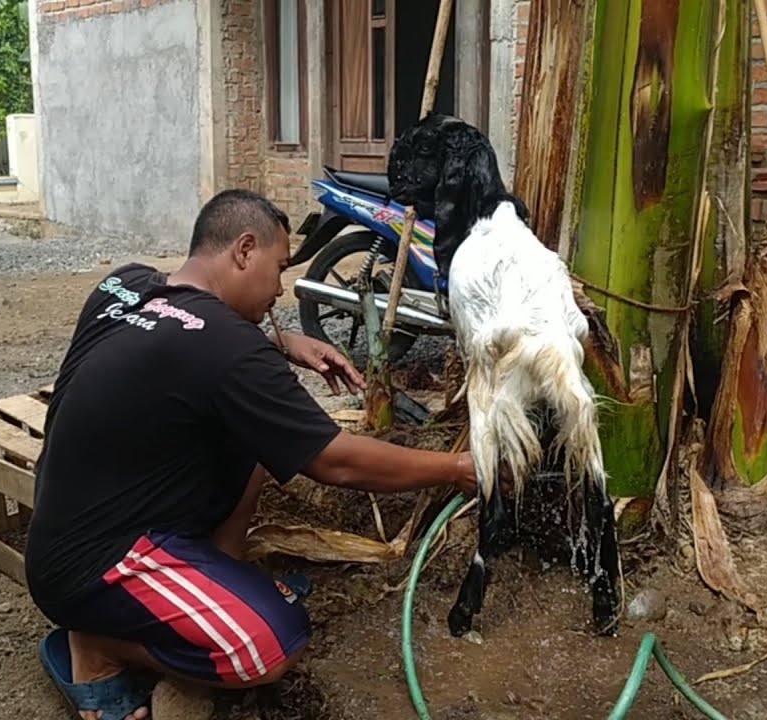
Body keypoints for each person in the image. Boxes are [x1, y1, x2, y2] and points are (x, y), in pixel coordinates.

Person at [25, 189, 476, 720]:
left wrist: (281, 346)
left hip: (62, 528)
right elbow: (334, 461)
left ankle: (220, 572)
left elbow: (182, 335)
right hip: (95, 568)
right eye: (279, 266)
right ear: (244, 250)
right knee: (272, 644)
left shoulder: (124, 283)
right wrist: (456, 467)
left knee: (256, 432)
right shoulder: (230, 351)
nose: (280, 287)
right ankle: (98, 648)